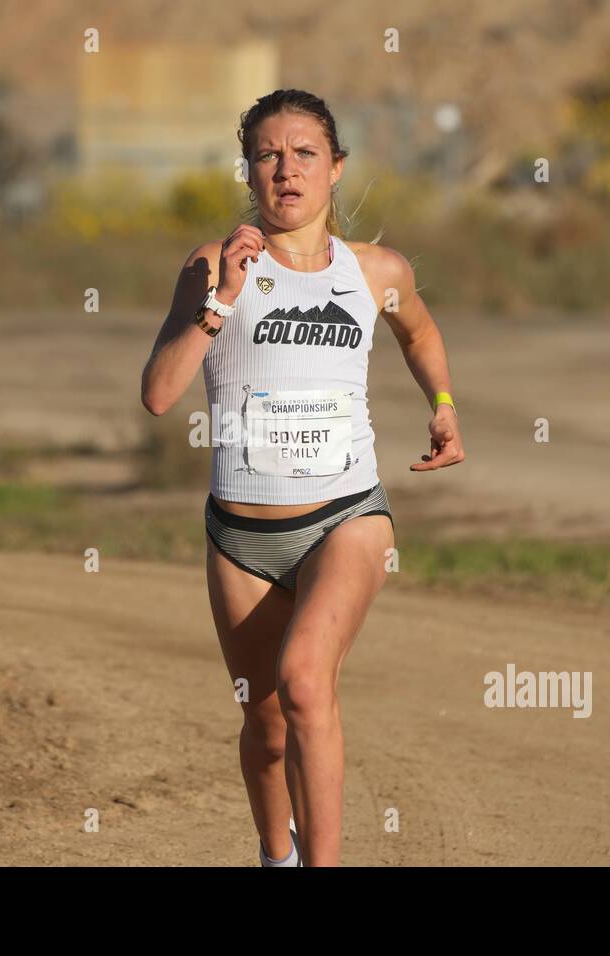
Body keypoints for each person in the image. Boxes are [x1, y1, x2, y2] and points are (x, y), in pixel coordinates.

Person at [141, 89, 465, 866]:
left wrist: (444, 404)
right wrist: (221, 300)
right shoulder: (213, 266)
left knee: (306, 682)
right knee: (267, 722)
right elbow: (157, 394)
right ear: (249, 171)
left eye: (305, 154)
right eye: (267, 155)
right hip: (240, 537)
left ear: (337, 168)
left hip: (347, 517)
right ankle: (275, 854)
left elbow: (417, 328)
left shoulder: (377, 270)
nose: (286, 170)